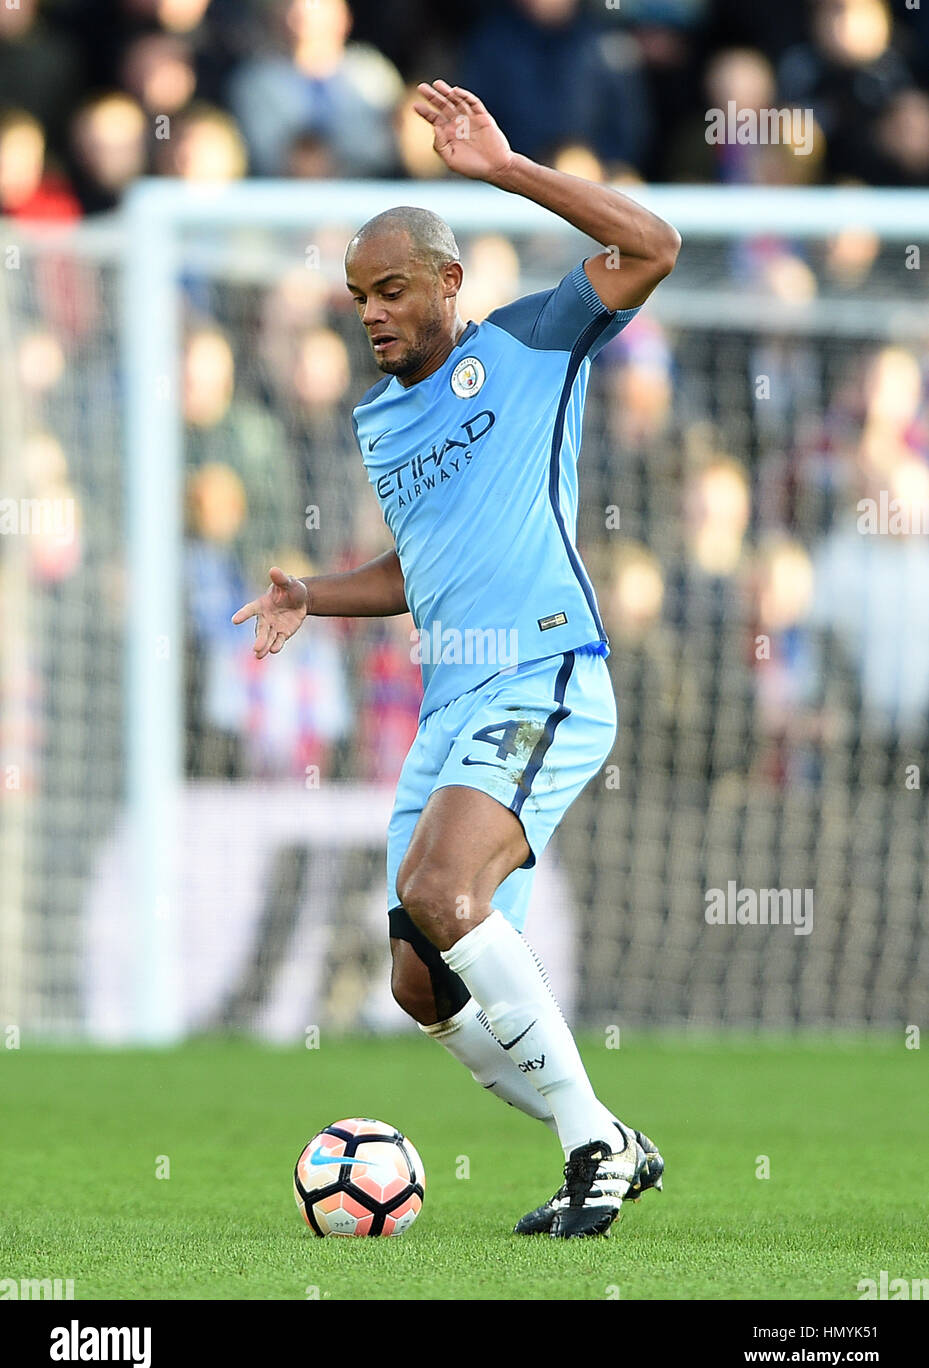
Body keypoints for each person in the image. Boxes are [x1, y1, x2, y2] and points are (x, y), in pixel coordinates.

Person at [233, 80, 680, 1238]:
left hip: (545, 673)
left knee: (443, 892)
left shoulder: (536, 341)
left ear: (446, 284)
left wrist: (506, 170)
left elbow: (654, 244)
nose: (370, 315)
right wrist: (311, 595)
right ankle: (606, 1132)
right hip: (452, 706)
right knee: (418, 979)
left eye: (389, 290)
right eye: (354, 298)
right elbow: (414, 570)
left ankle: (590, 1149)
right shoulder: (379, 421)